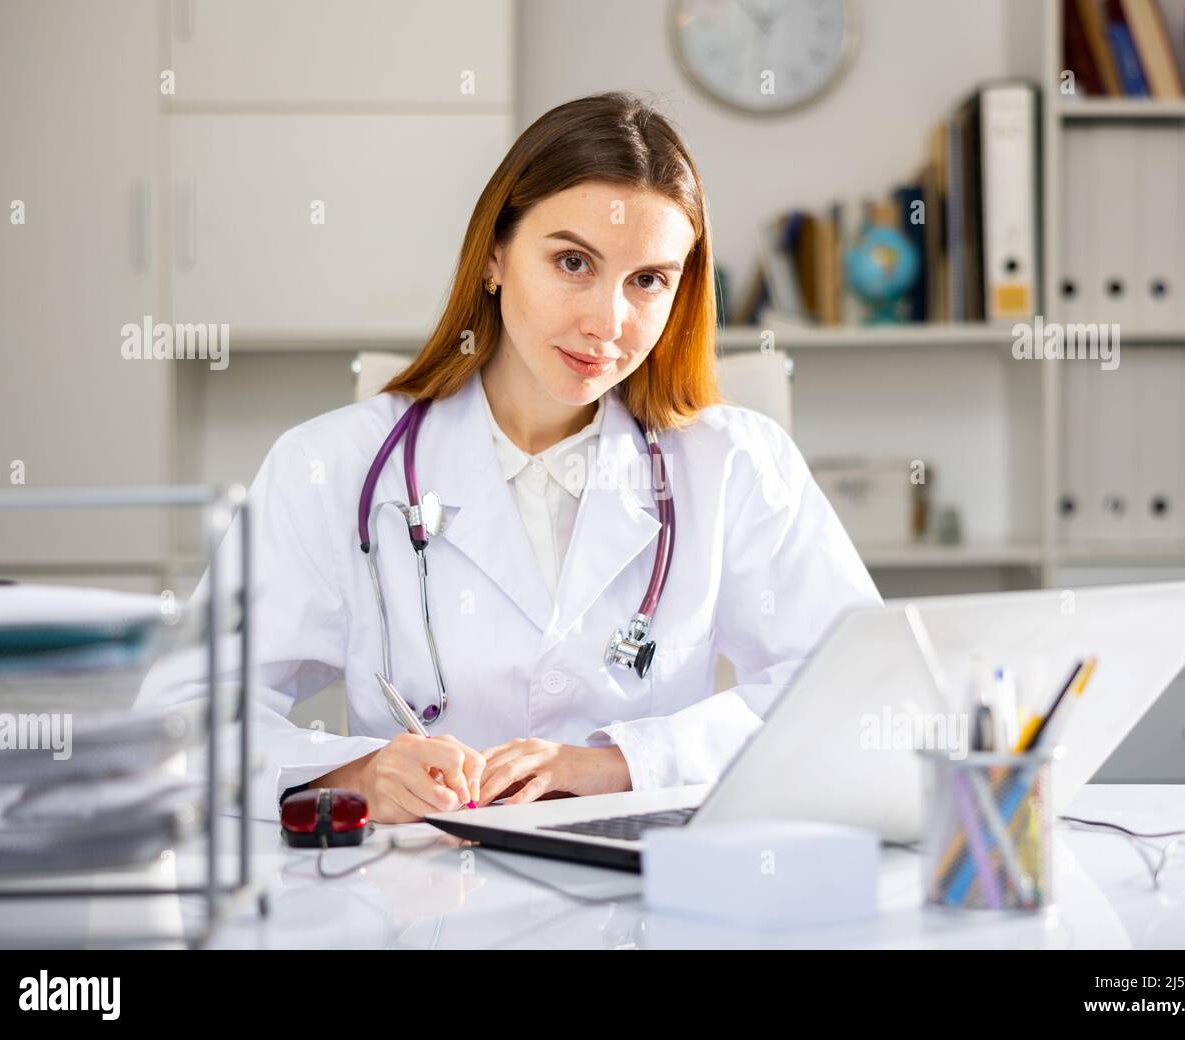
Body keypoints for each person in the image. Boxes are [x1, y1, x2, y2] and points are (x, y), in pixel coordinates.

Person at [139, 91, 880, 823]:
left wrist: (625, 764)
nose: (606, 322)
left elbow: (858, 693)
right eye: (572, 262)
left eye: (647, 280)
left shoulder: (736, 464)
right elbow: (179, 721)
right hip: (412, 904)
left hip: (642, 899)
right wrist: (356, 772)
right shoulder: (332, 466)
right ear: (495, 255)